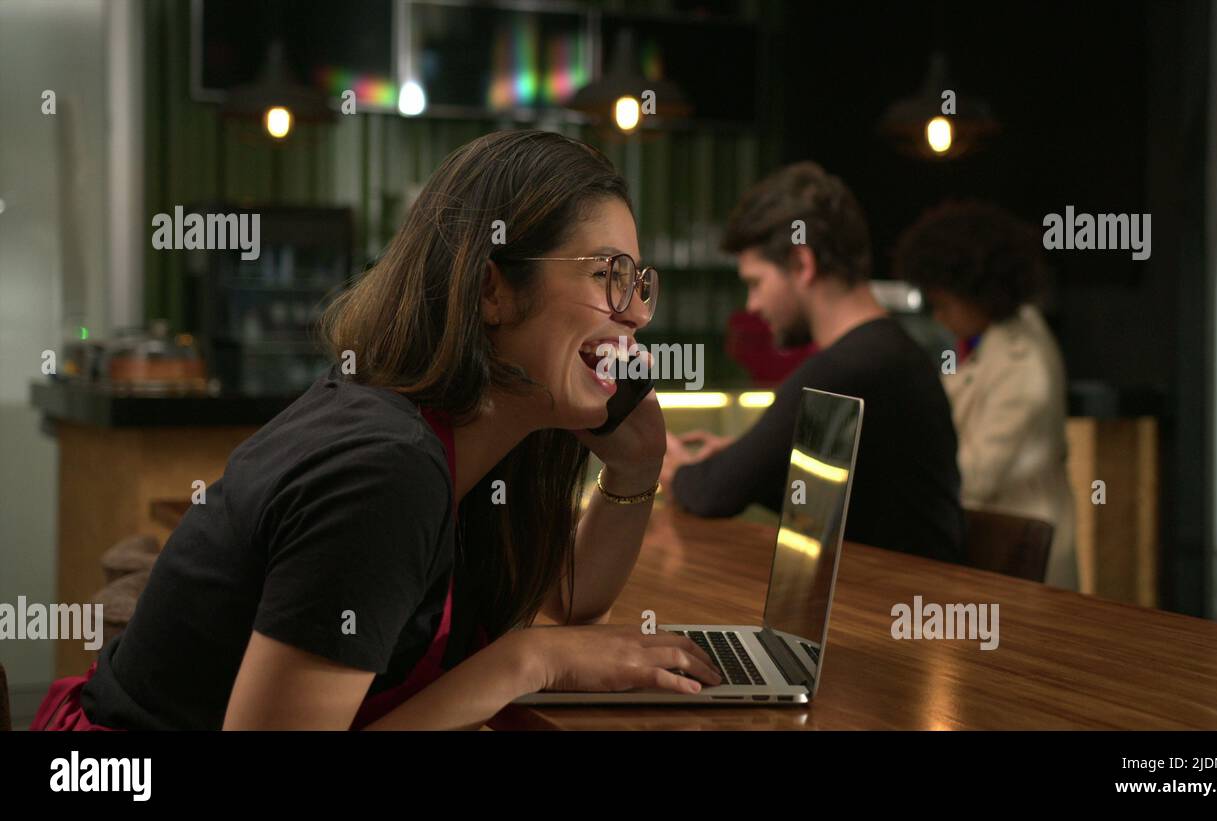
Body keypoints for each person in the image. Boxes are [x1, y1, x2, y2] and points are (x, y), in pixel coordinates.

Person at [31, 130, 721, 731]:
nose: (633, 316)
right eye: (609, 275)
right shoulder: (385, 469)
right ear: (491, 289)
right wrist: (529, 659)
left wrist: (636, 468)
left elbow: (570, 599)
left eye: (639, 284)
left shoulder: (484, 441)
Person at [659, 162, 965, 564]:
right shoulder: (894, 354)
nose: (752, 305)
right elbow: (860, 501)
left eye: (755, 282)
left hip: (890, 611)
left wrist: (676, 470)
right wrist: (744, 462)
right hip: (908, 601)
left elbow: (714, 494)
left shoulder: (846, 369)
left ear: (802, 264)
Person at [895, 200, 1078, 590]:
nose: (939, 317)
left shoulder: (1021, 364)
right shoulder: (1013, 332)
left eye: (944, 304)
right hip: (1004, 551)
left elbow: (975, 477)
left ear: (975, 291)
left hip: (1021, 559)